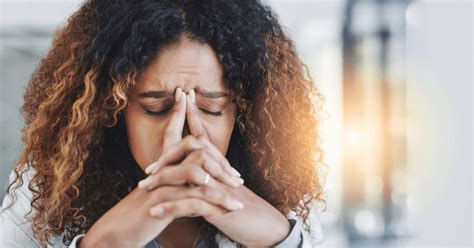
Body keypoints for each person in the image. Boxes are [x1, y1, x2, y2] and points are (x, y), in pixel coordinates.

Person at [0, 0, 326, 247]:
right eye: (156, 108)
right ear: (112, 111)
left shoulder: (286, 195)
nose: (184, 132)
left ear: (242, 115)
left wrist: (280, 238)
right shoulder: (45, 189)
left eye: (211, 108)